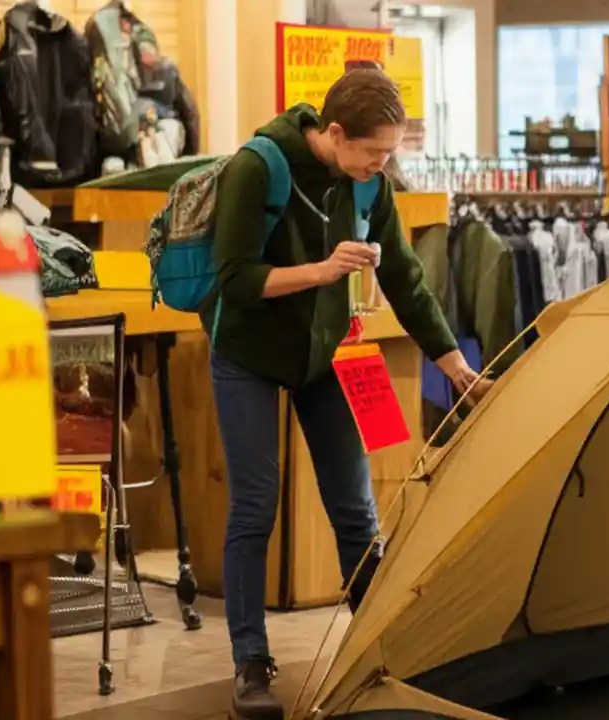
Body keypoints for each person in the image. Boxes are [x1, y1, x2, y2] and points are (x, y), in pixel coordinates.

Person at [205, 70, 486, 720]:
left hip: (322, 354)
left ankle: (382, 646)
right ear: (334, 133)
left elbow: (408, 281)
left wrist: (456, 368)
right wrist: (323, 271)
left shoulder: (371, 184)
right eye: (375, 152)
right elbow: (234, 280)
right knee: (255, 507)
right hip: (246, 353)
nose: (383, 166)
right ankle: (250, 663)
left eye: (389, 153)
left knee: (356, 510)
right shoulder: (258, 168)